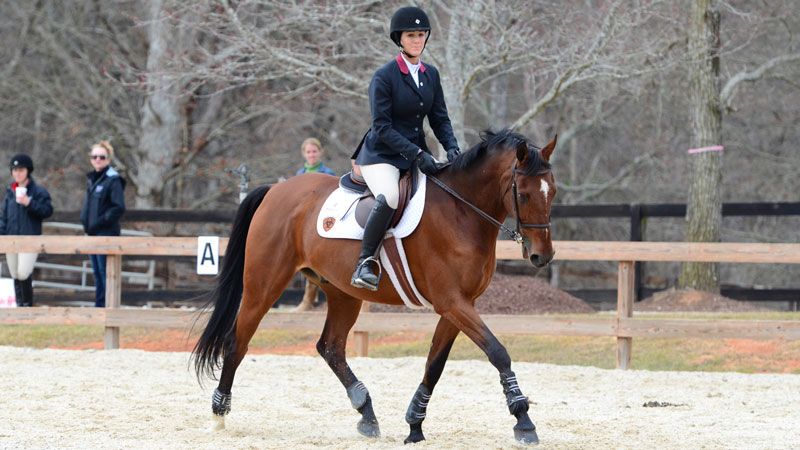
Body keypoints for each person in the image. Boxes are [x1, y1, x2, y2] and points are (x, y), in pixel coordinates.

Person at [350, 6, 461, 290]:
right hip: (381, 155)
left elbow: (439, 118)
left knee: (443, 193)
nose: (417, 40)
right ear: (399, 39)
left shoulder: (430, 74)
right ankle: (365, 262)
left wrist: (452, 147)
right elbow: (382, 127)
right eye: (411, 35)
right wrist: (419, 154)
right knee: (389, 196)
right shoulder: (384, 76)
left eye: (421, 34)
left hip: (416, 154)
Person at [0, 154, 53, 306]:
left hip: (30, 239)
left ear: (28, 171)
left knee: (24, 273)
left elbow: (47, 211)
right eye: (15, 170)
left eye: (21, 170)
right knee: (15, 274)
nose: (18, 173)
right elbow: (3, 216)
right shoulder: (9, 193)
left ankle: (27, 306)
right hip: (11, 240)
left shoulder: (38, 191)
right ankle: (20, 307)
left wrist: (29, 203)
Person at [80, 140, 126, 307]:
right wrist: (86, 223)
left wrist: (99, 223)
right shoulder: (93, 179)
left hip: (106, 234)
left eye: (102, 157)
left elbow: (118, 207)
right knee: (98, 274)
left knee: (106, 273)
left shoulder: (113, 180)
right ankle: (100, 308)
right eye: (95, 156)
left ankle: (109, 308)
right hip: (92, 234)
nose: (98, 160)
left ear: (108, 159)